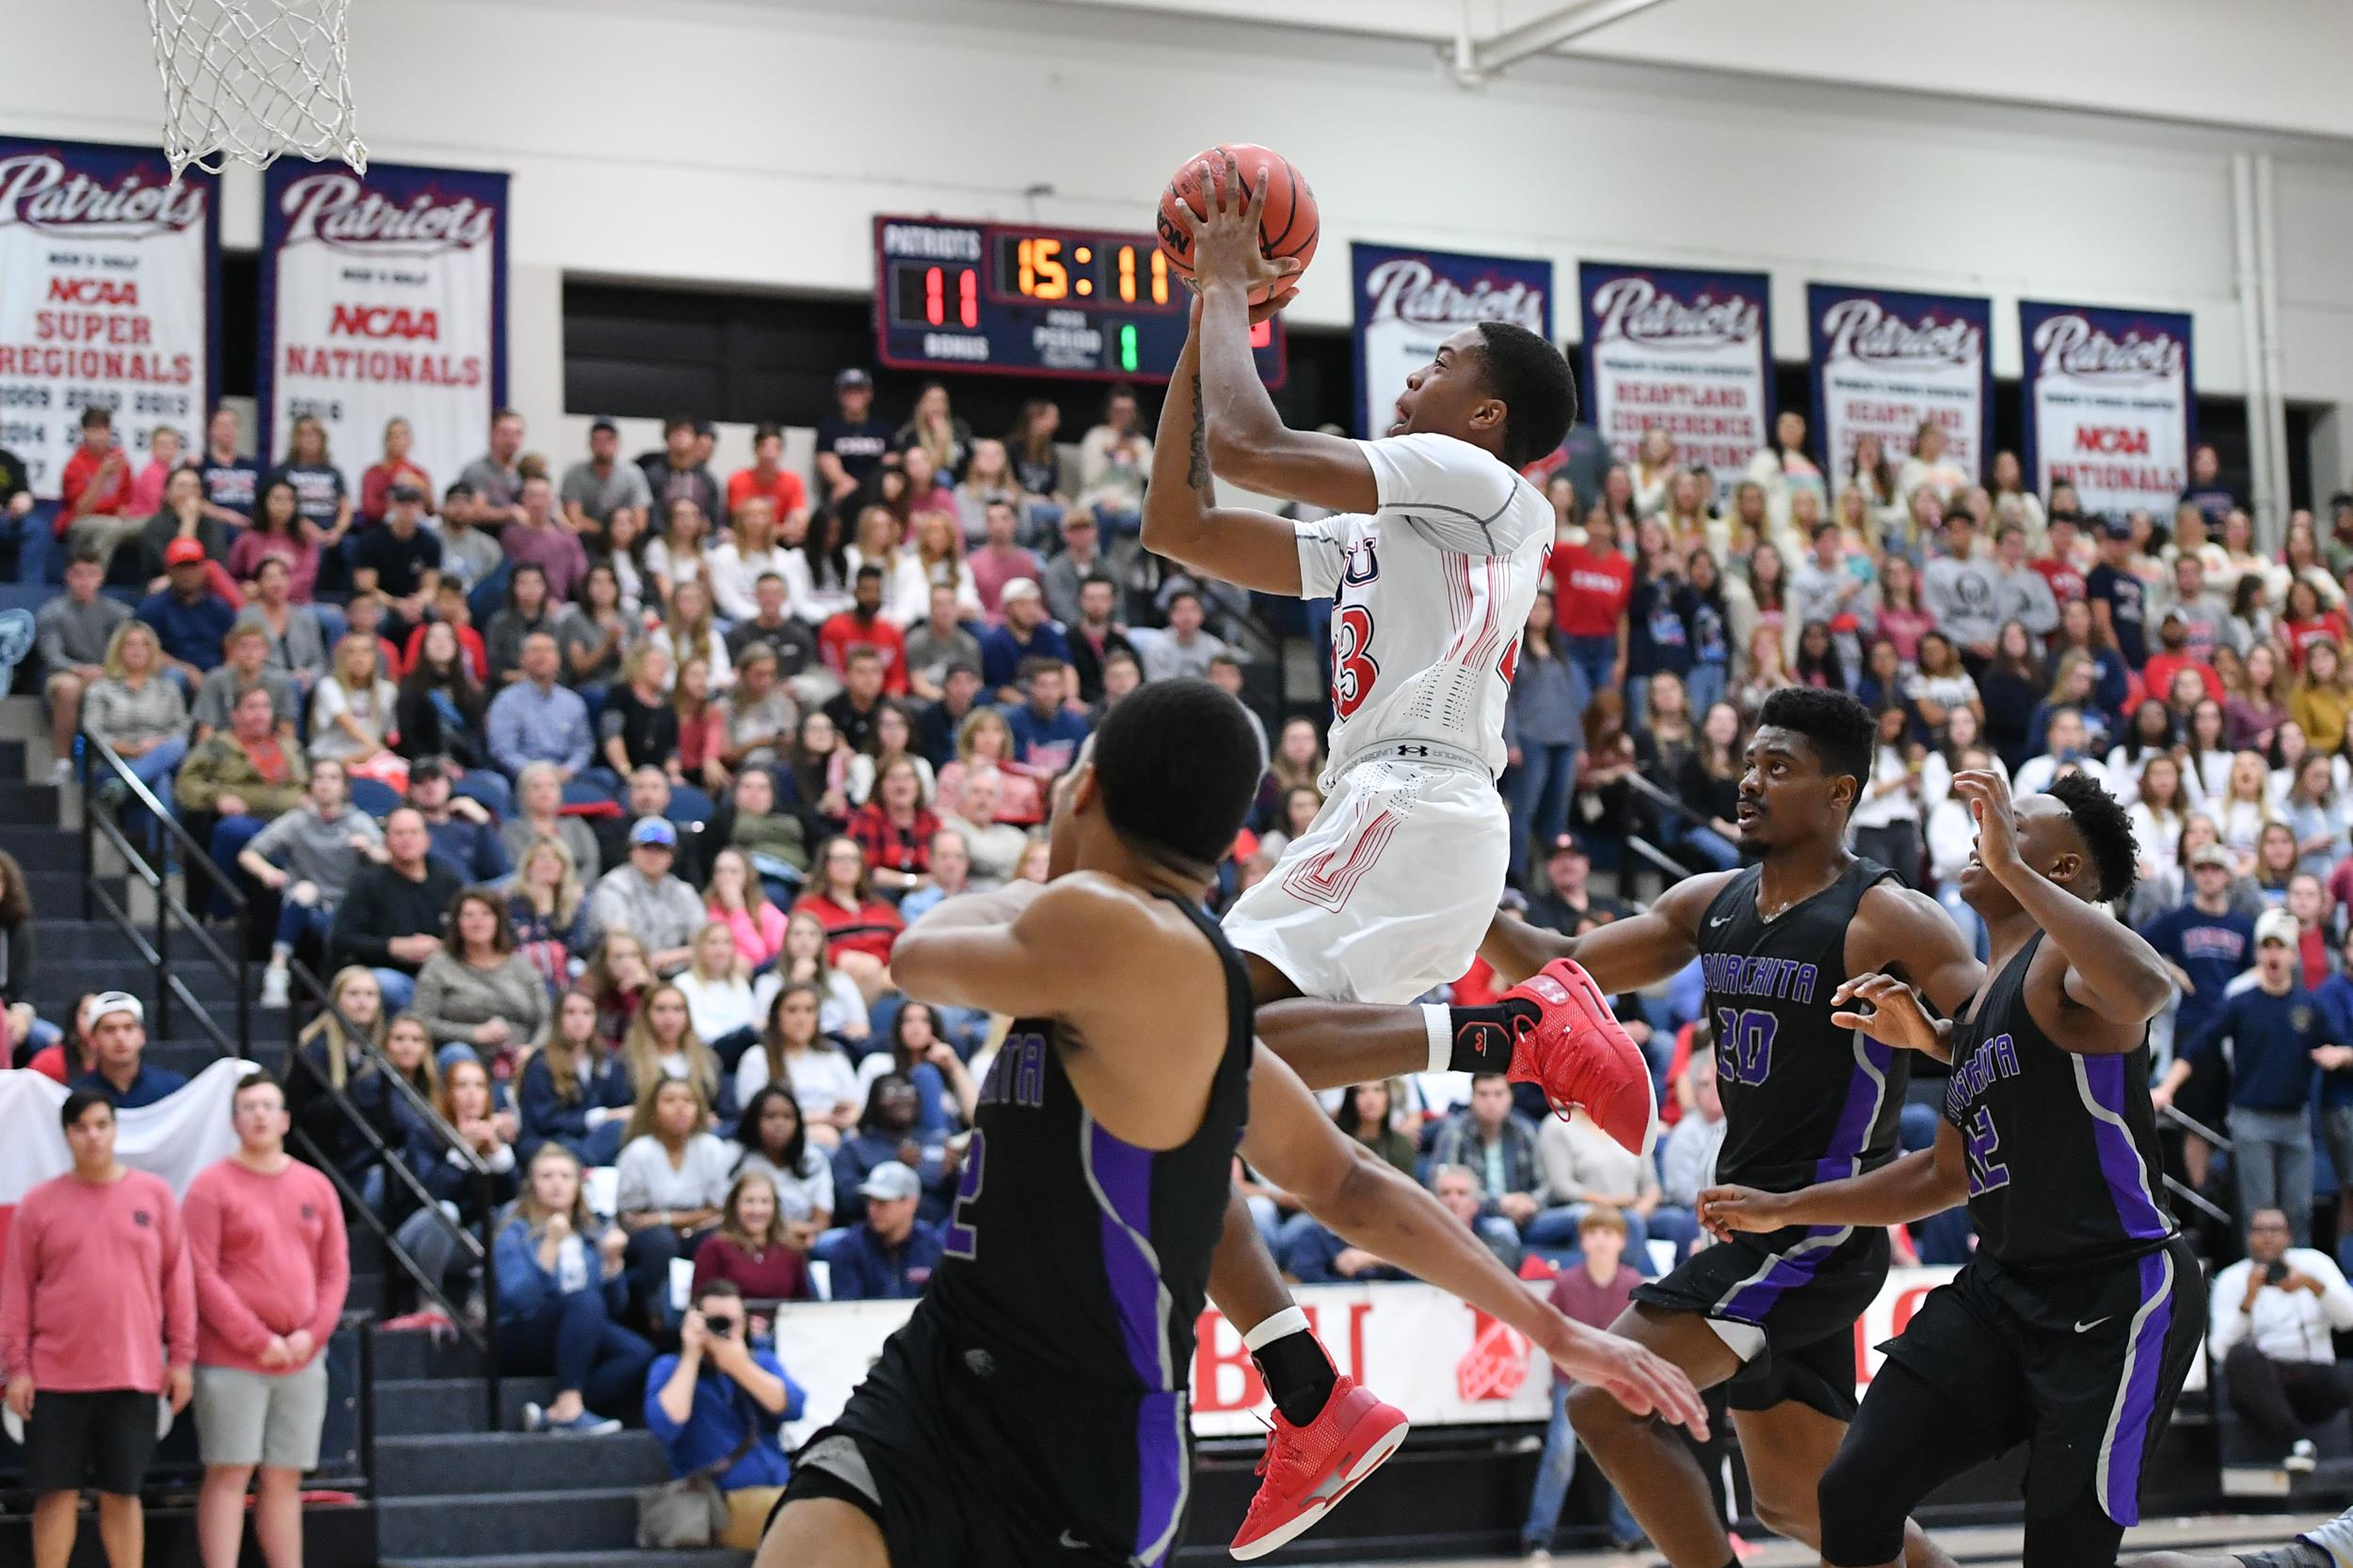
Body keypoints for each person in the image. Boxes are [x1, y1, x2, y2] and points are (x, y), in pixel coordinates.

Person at [760, 679, 1704, 1568]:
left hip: (1073, 1441)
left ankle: (1501, 1036)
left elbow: (915, 954)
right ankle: (1494, 1040)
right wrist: (1554, 1329)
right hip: (947, 1376)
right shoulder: (1180, 976)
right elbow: (1348, 1185)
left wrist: (1028, 884)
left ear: (1082, 789)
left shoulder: (1095, 922)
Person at [1231, 687, 1983, 1568]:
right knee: (1801, 1504)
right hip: (1753, 1231)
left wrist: (1929, 1037)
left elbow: (1997, 1025)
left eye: (1778, 768)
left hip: (1810, 1235)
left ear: (1840, 795)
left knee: (1601, 1402)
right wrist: (1462, 912)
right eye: (1749, 761)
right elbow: (1572, 968)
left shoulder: (1886, 916)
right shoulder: (1716, 902)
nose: (1749, 781)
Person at [1700, 769, 2199, 1568]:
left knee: (2069, 1556)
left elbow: (2144, 988)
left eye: (2012, 825)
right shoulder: (1977, 1007)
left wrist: (2013, 871)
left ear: (2062, 870)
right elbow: (1939, 1179)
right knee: (1853, 1489)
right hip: (2002, 1290)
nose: (1984, 831)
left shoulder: (2063, 963)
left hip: (2117, 1292)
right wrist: (1786, 1205)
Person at [1, 1088, 196, 1568]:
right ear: (67, 1134)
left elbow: (179, 1282)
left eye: (102, 1125)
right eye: (82, 1127)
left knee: (123, 1493)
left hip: (133, 1372)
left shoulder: (153, 1196)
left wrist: (183, 1359)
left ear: (115, 1128)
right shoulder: (39, 1204)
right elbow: (16, 1293)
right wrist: (16, 1368)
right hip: (55, 1377)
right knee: (55, 1494)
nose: (93, 1136)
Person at [184, 1075, 349, 1568]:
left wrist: (310, 1336)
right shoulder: (210, 1187)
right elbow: (200, 1273)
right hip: (232, 1360)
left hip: (301, 1358)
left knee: (285, 1477)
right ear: (234, 1122)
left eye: (267, 1106)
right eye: (247, 1106)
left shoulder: (315, 1185)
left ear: (285, 1119)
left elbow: (335, 1271)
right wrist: (255, 1340)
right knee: (229, 1471)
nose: (258, 1115)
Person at [2156, 908, 2333, 1243]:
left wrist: (2339, 1055)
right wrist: (2166, 1088)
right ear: (2256, 953)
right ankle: (2258, 1285)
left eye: (2280, 947)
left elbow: (2338, 1041)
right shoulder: (2241, 1003)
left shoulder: (2308, 1006)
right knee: (2259, 1212)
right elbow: (2199, 1047)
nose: (2273, 954)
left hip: (2296, 1121)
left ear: (2293, 955)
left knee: (2298, 1209)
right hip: (2252, 1119)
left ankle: (2297, 1288)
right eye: (2266, 947)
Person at [492, 1144, 655, 1435]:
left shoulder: (592, 1231)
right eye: (547, 1176)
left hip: (577, 1332)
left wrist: (613, 1262)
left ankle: (558, 1410)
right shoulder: (512, 1231)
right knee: (583, 1300)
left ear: (579, 1185)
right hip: (522, 1333)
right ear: (532, 1186)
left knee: (638, 1352)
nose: (557, 1183)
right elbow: (518, 1300)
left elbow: (615, 1308)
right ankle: (568, 1405)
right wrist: (550, 1246)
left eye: (566, 1176)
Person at [1523, 1205, 1648, 1557]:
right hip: (1573, 1380)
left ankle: (1627, 1532)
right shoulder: (1566, 1283)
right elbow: (1547, 1329)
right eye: (1593, 1233)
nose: (1601, 1241)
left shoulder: (1633, 1283)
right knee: (1560, 1452)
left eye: (1608, 1233)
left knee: (1626, 1452)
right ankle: (1538, 1534)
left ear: (1622, 1241)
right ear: (1582, 1241)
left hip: (1619, 1383)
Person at [647, 1280, 807, 1549]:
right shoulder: (670, 1367)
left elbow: (793, 1406)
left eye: (735, 1322)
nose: (727, 1330)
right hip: (719, 1502)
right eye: (717, 1322)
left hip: (780, 1490)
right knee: (792, 1518)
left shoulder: (761, 1361)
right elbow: (666, 1424)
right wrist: (691, 1356)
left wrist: (738, 1366)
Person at [2206, 1208, 2353, 1474]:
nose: (2268, 1237)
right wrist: (2248, 1300)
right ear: (2248, 1237)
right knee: (2241, 1357)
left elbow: (2349, 1319)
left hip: (2313, 1377)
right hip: (2263, 1383)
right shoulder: (2232, 1278)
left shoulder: (2314, 1264)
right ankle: (2298, 1442)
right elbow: (2218, 1350)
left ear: (2289, 1236)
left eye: (2275, 1230)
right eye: (2260, 1230)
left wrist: (2313, 1285)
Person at [241, 759, 381, 1006]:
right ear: (311, 785)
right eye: (319, 778)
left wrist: (369, 848)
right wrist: (267, 872)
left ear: (345, 788)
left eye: (332, 778)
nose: (325, 784)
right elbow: (249, 853)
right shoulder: (298, 820)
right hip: (307, 905)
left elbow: (389, 859)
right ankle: (277, 970)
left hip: (347, 908)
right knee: (305, 890)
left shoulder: (358, 821)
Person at [616, 1077, 736, 1320]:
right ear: (653, 1110)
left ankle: (718, 1314)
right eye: (670, 1100)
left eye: (688, 1101)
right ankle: (658, 1318)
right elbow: (633, 1218)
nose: (680, 1107)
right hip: (649, 1239)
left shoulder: (711, 1147)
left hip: (700, 1230)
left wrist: (664, 1217)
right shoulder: (639, 1152)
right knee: (660, 1241)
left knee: (721, 1236)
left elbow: (721, 1209)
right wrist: (689, 1218)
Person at [330, 808, 463, 1010]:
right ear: (386, 842)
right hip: (389, 972)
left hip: (442, 973)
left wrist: (440, 946)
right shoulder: (368, 882)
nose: (406, 839)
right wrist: (392, 947)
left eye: (413, 832)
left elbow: (467, 931)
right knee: (383, 983)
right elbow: (342, 937)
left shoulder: (447, 880)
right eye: (399, 833)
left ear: (427, 840)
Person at [412, 887, 549, 1065]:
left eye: (486, 914)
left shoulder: (521, 964)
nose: (478, 922)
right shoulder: (439, 966)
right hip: (465, 1059)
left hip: (520, 1057)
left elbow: (547, 1018)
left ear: (498, 921)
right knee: (457, 1053)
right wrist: (475, 1033)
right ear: (457, 923)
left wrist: (532, 1049)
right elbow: (421, 1022)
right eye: (469, 915)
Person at [38, 551, 132, 782]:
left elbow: (128, 649)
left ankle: (121, 756)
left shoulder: (118, 612)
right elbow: (53, 657)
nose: (84, 581)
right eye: (78, 574)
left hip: (108, 672)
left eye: (91, 574)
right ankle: (62, 762)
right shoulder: (52, 612)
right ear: (68, 576)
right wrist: (81, 670)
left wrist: (106, 671)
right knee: (67, 688)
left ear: (101, 578)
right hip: (68, 674)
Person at [517, 989, 634, 1166]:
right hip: (551, 1140)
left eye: (587, 1012)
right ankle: (585, 1167)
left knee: (621, 1130)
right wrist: (595, 1118)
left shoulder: (608, 1059)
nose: (579, 1020)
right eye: (570, 1012)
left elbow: (621, 1103)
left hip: (598, 1138)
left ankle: (586, 1166)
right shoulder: (540, 1063)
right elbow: (544, 1120)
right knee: (567, 1149)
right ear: (558, 1019)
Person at [586, 818, 706, 973]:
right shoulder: (613, 886)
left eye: (661, 849)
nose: (653, 855)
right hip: (621, 975)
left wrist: (672, 956)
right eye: (647, 848)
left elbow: (705, 942)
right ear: (632, 850)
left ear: (672, 855)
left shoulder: (683, 891)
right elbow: (619, 941)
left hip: (675, 975)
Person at [487, 632, 595, 784]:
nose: (542, 656)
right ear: (522, 660)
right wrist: (538, 774)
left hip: (565, 774)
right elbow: (503, 751)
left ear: (559, 659)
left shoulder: (573, 702)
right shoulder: (506, 701)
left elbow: (583, 747)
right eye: (534, 650)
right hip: (524, 776)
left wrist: (570, 769)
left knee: (605, 778)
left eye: (548, 650)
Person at [733, 1087, 835, 1243]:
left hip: (802, 1241)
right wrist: (780, 1232)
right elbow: (724, 1217)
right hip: (746, 1240)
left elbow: (821, 1222)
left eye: (788, 1117)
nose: (779, 1124)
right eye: (770, 1116)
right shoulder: (735, 1157)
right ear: (754, 1120)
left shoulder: (814, 1159)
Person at [72, 990, 189, 1110]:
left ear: (142, 1035)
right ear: (93, 1039)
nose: (120, 1038)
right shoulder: (76, 1095)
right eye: (109, 1029)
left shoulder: (173, 1089)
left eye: (128, 1028)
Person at [560, 416, 653, 538]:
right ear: (590, 444)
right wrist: (607, 531)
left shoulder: (632, 473)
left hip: (625, 540)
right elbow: (573, 517)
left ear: (617, 444)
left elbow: (640, 522)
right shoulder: (574, 473)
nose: (603, 446)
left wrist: (620, 530)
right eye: (597, 440)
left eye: (608, 440)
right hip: (587, 539)